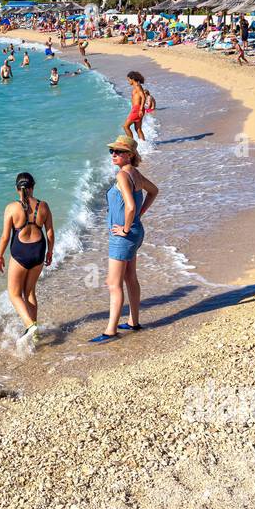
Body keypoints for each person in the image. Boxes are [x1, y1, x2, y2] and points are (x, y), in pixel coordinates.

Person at [92, 136, 158, 343]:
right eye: (112, 151)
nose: (113, 154)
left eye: (119, 151)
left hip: (124, 236)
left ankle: (111, 330)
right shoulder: (135, 173)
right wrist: (138, 217)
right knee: (130, 278)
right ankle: (133, 321)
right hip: (136, 232)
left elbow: (129, 206)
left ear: (129, 154)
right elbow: (153, 191)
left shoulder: (123, 175)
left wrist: (126, 226)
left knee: (113, 283)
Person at [0, 172, 55, 347]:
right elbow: (50, 233)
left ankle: (30, 326)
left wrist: (0, 255)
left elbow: (5, 237)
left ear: (17, 189)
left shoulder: (11, 208)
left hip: (20, 253)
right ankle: (35, 332)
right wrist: (50, 252)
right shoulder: (43, 206)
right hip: (38, 251)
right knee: (29, 292)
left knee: (14, 294)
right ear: (33, 187)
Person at [123, 71, 146, 142]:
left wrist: (140, 109)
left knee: (125, 126)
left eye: (129, 80)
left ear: (132, 79)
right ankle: (144, 144)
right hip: (137, 108)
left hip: (137, 109)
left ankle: (131, 143)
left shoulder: (137, 86)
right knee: (138, 129)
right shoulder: (137, 86)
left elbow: (143, 97)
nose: (128, 81)